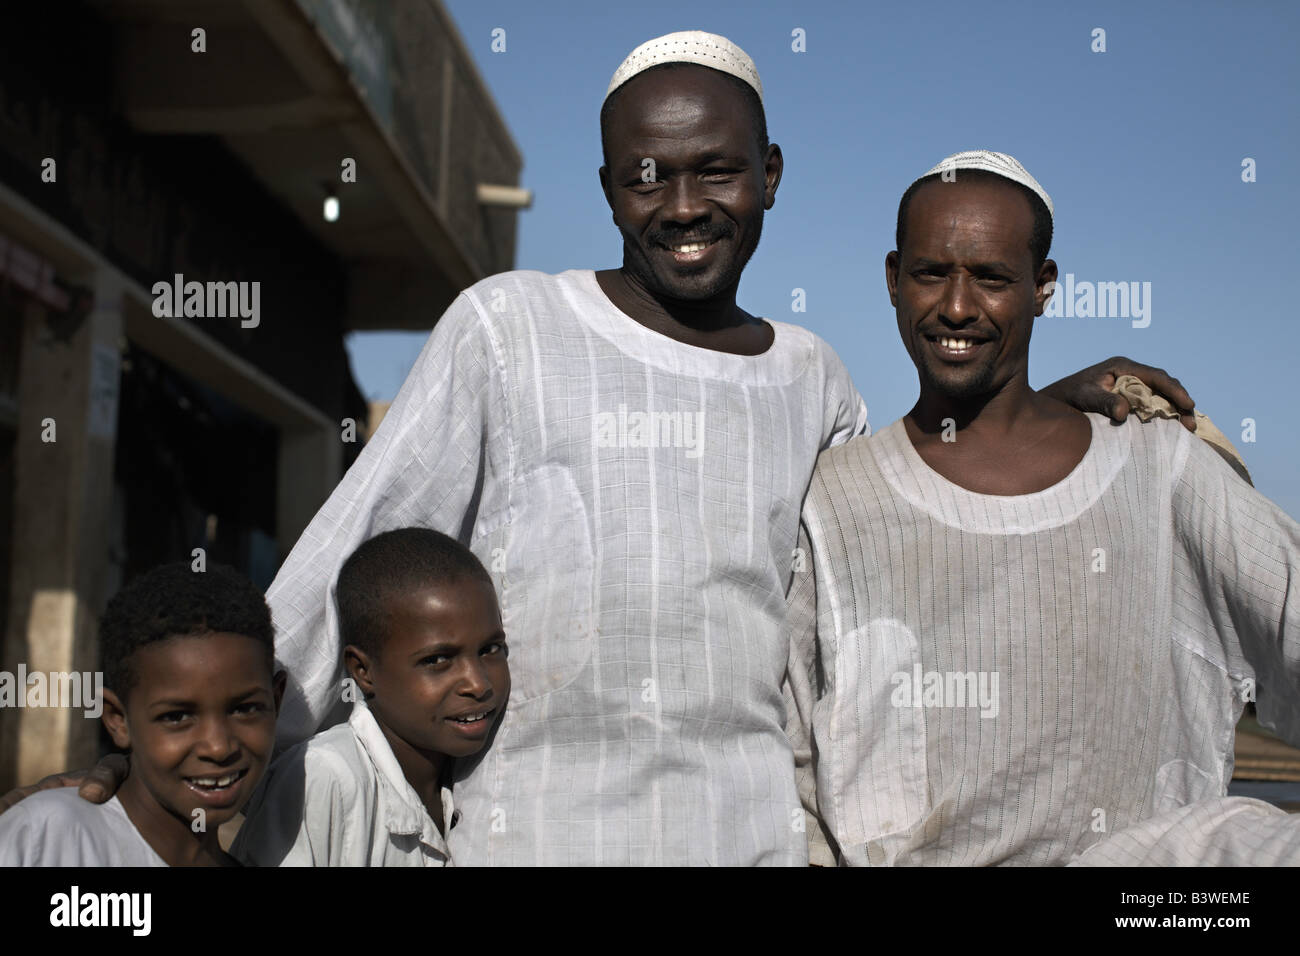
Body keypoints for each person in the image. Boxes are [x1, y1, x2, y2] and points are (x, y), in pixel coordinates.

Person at [0, 34, 1194, 866]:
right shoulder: (511, 328)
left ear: (769, 176)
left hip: (755, 842)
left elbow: (886, 549)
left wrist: (1039, 404)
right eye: (646, 175)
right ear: (612, 189)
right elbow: (343, 564)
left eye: (716, 168)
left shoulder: (810, 376)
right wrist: (195, 743)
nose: (683, 204)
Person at [786, 150, 1300, 866]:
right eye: (932, 273)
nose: (957, 307)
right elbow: (790, 769)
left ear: (1043, 288)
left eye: (993, 278)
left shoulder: (1160, 472)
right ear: (894, 279)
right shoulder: (830, 503)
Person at [232, 528, 509, 866]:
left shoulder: (480, 778)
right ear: (362, 671)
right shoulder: (324, 778)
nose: (478, 684)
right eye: (438, 660)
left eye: (490, 649)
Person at [0, 563, 283, 866]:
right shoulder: (51, 837)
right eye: (177, 717)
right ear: (117, 719)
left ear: (276, 702)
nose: (218, 746)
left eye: (245, 709)